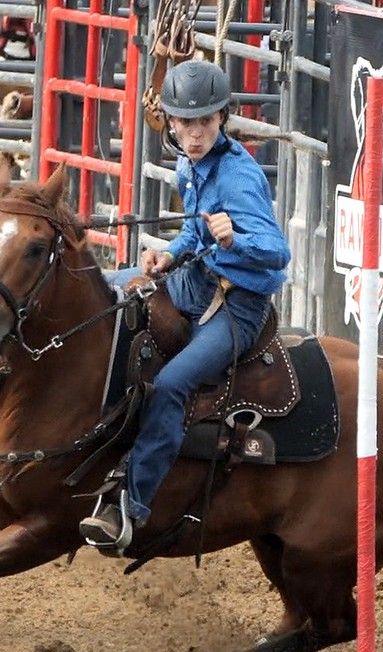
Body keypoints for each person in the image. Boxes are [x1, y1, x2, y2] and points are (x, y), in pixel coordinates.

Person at [79, 60, 290, 550]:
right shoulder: (188, 164)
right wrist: (169, 254)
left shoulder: (239, 176)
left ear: (222, 119)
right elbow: (197, 228)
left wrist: (236, 240)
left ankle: (130, 507)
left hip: (237, 308)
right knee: (104, 290)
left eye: (205, 122)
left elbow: (277, 251)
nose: (195, 134)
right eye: (185, 123)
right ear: (171, 123)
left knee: (173, 383)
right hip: (193, 281)